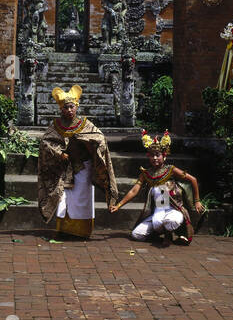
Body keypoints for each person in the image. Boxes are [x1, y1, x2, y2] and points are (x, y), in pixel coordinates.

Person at [38, 85, 119, 239]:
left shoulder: (85, 125)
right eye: (66, 107)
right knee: (63, 199)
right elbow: (45, 143)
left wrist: (86, 143)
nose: (69, 110)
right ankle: (64, 229)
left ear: (77, 107)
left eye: (71, 107)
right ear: (61, 109)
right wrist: (58, 153)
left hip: (83, 167)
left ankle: (82, 231)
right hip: (63, 169)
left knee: (82, 198)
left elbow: (100, 139)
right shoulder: (56, 126)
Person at [110, 130, 204, 244]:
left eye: (158, 155)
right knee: (137, 234)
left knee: (164, 196)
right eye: (152, 155)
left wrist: (197, 201)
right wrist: (119, 205)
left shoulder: (171, 170)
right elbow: (134, 191)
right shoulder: (146, 174)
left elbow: (193, 179)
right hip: (158, 211)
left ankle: (170, 233)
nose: (155, 158)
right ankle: (160, 233)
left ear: (164, 156)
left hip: (173, 210)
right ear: (148, 157)